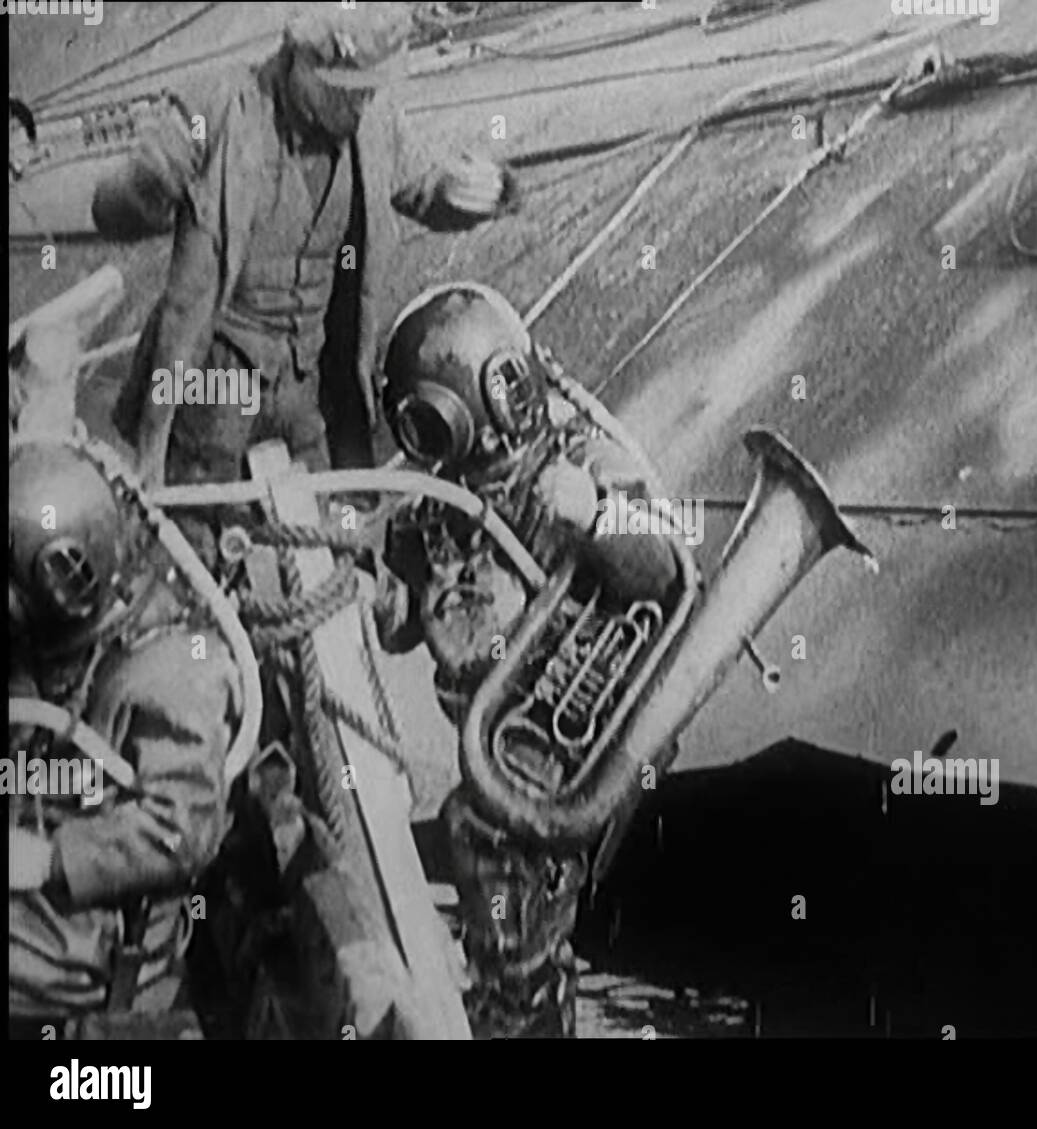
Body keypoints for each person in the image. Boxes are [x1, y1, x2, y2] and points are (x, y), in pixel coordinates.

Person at [374, 281, 679, 1037]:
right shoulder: (435, 508)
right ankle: (520, 1004)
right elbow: (400, 624)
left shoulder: (582, 461)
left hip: (581, 741)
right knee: (496, 886)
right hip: (504, 744)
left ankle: (520, 1009)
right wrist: (372, 588)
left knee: (489, 846)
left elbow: (663, 566)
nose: (430, 447)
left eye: (434, 423)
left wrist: (593, 513)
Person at [95, 2, 520, 505]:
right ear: (304, 64)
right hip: (214, 380)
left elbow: (424, 186)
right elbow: (112, 209)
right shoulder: (218, 108)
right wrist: (145, 185)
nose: (363, 106)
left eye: (370, 91)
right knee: (205, 539)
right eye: (351, 93)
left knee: (330, 533)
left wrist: (485, 193)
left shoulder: (372, 122)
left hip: (307, 382)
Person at [8, 438, 241, 1039]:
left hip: (79, 945)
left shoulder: (172, 668)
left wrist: (50, 861)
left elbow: (183, 829)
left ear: (64, 575)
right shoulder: (77, 624)